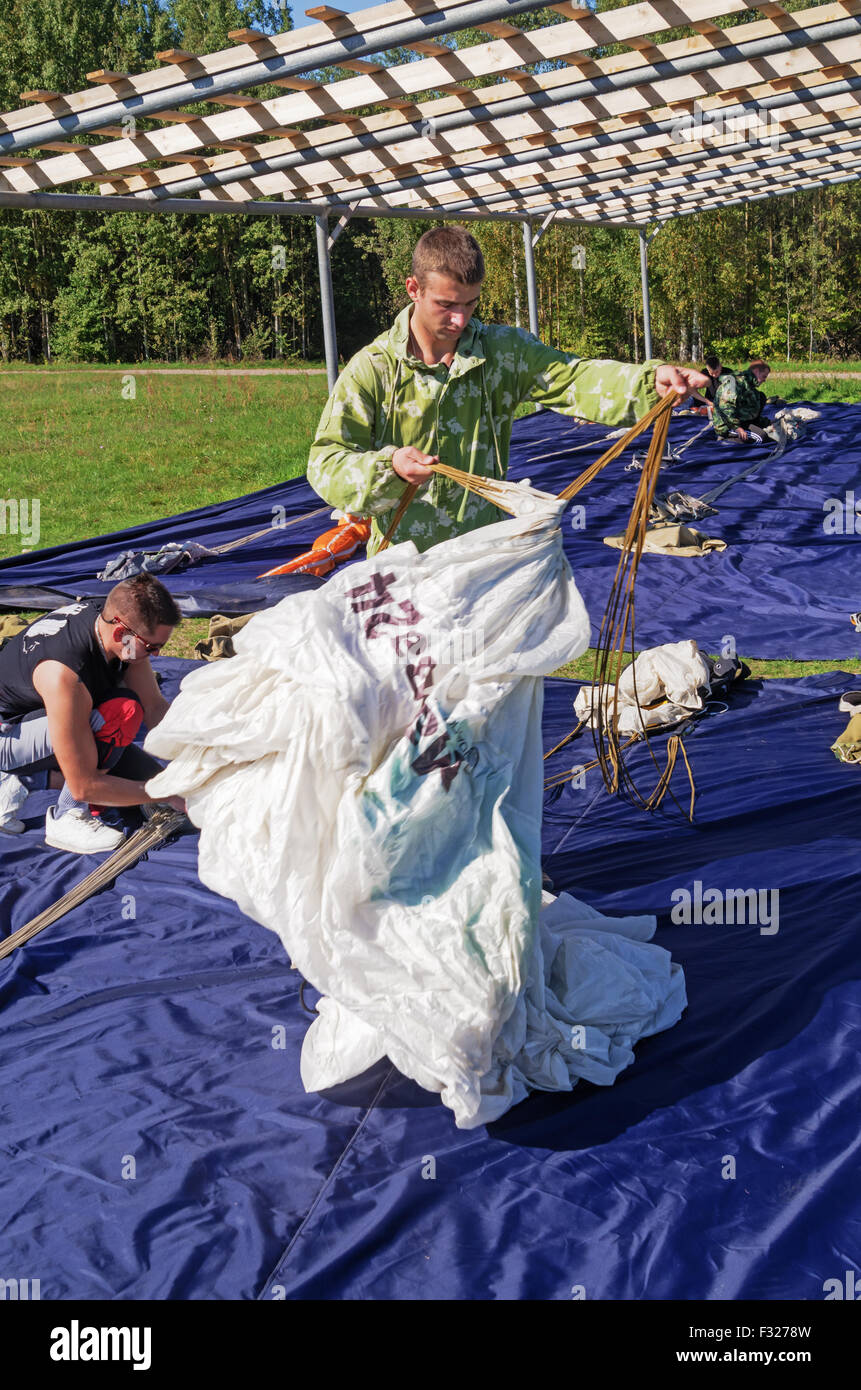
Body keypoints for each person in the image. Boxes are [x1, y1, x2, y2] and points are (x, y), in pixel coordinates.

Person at [308, 226, 708, 553]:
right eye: (446, 304)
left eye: (471, 303)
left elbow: (572, 376)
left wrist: (647, 383)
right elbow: (326, 463)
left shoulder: (501, 353)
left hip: (485, 554)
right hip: (404, 566)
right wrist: (390, 467)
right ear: (413, 288)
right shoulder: (375, 370)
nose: (460, 318)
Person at [0, 574, 185, 853]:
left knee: (147, 778)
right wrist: (165, 793)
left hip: (39, 716)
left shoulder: (116, 622)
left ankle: (27, 779)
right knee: (122, 713)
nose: (157, 655)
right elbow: (85, 786)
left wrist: (199, 758)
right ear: (121, 634)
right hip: (8, 737)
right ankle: (65, 817)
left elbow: (155, 707)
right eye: (151, 647)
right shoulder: (63, 675)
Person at [712, 359, 774, 442]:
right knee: (760, 438)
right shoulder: (734, 383)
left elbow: (752, 409)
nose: (764, 380)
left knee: (761, 397)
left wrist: (768, 423)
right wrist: (737, 428)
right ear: (756, 371)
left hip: (741, 421)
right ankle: (726, 440)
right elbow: (725, 407)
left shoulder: (748, 384)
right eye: (764, 376)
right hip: (727, 425)